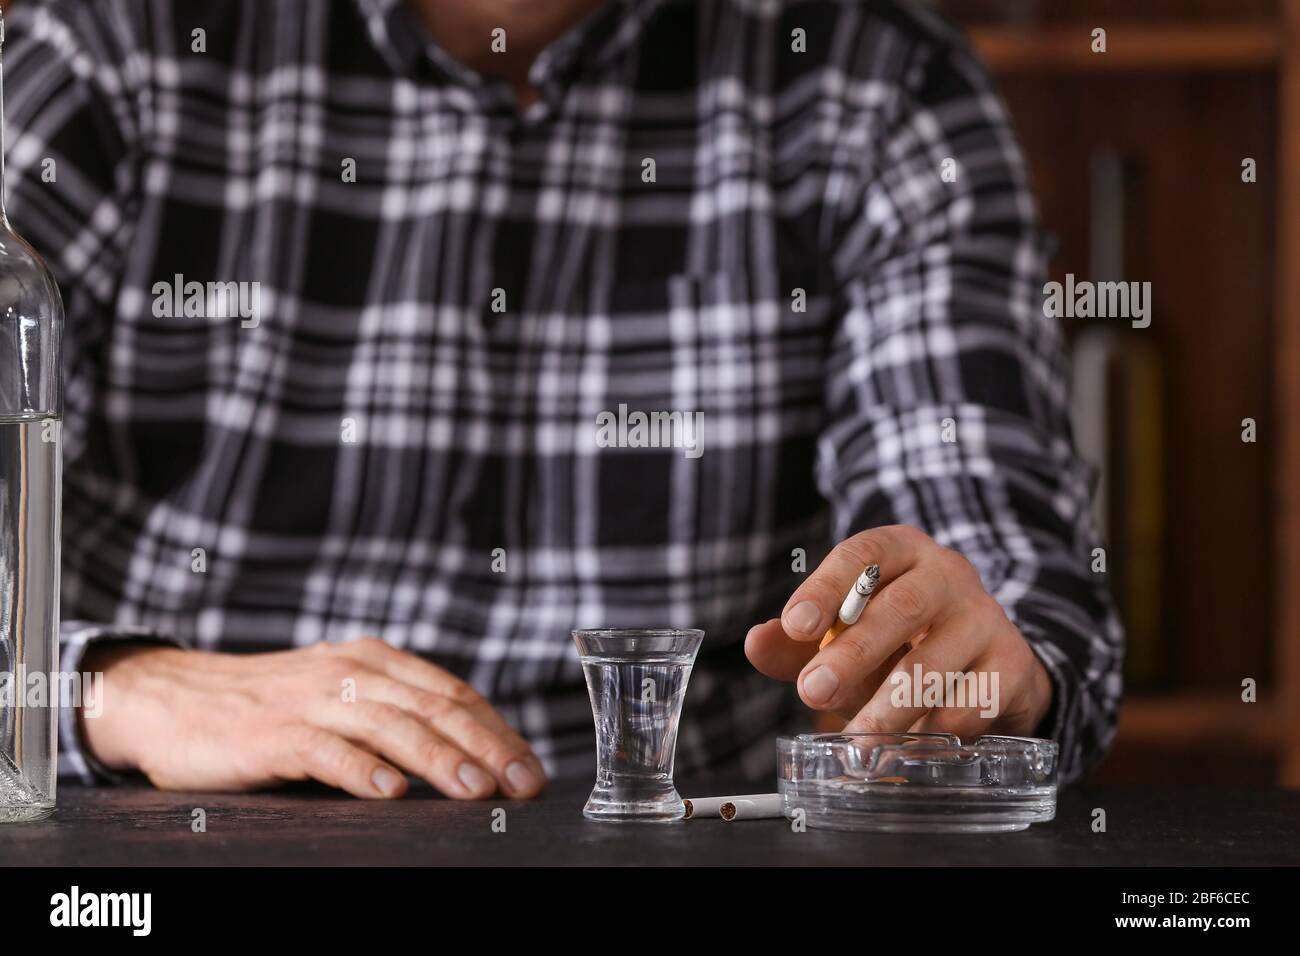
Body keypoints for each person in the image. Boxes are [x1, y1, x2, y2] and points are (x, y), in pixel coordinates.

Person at [3, 0, 1122, 800]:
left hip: (673, 840)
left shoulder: (875, 80)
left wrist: (980, 655)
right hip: (163, 840)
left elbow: (995, 556)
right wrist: (115, 687)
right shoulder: (114, 48)